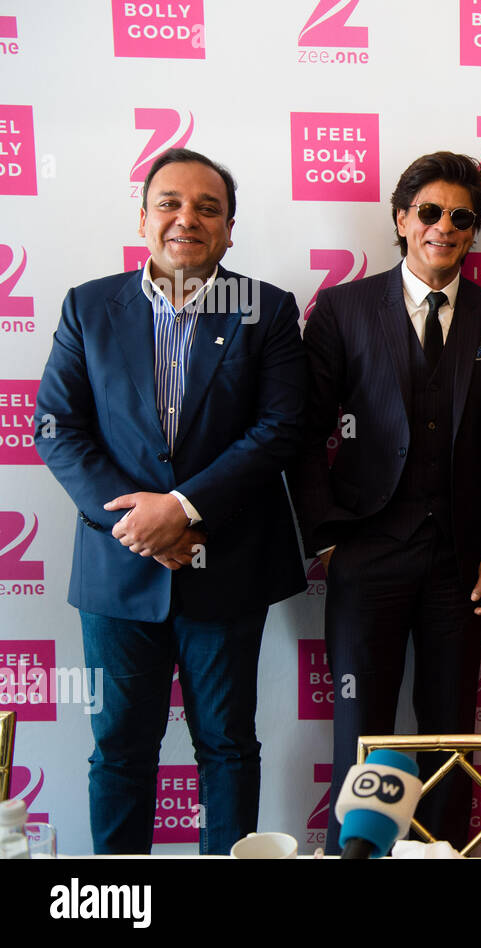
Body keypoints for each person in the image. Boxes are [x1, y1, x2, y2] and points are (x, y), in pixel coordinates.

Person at [34, 147, 307, 854]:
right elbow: (58, 427)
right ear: (144, 216)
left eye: (208, 208)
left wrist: (180, 508)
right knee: (121, 748)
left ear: (229, 227)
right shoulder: (88, 306)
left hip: (226, 564)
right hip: (118, 572)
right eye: (171, 203)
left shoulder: (266, 310)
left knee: (226, 744)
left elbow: (280, 429)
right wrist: (139, 525)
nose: (188, 218)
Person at [291, 152, 481, 854]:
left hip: (461, 562)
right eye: (429, 212)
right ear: (401, 218)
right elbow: (303, 431)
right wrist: (325, 534)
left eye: (461, 217)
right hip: (367, 553)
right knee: (363, 730)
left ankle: (442, 853)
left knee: (449, 731)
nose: (443, 227)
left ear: (474, 231)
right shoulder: (343, 308)